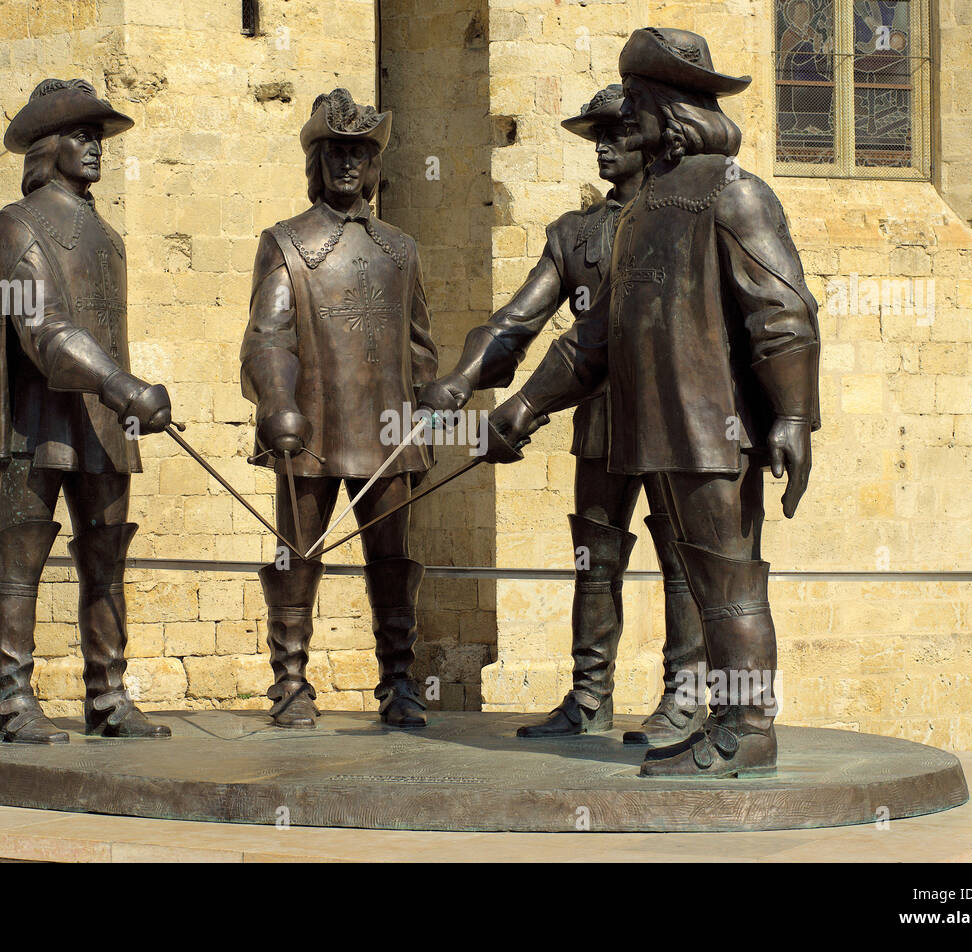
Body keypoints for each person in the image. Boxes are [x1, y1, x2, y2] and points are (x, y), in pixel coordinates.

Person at [482, 29, 821, 777]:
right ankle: (727, 720)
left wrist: (793, 416)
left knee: (728, 581)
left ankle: (748, 726)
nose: (623, 117)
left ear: (669, 108)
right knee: (708, 579)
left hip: (713, 431)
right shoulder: (640, 214)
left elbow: (784, 313)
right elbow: (593, 339)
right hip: (658, 430)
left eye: (634, 102)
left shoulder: (732, 192)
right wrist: (527, 406)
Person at [0, 78, 173, 743]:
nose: (96, 148)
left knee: (106, 560)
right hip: (39, 422)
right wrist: (125, 387)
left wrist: (122, 398)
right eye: (82, 135)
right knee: (21, 561)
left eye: (98, 137)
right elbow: (43, 330)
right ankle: (12, 702)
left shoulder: (107, 238)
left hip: (103, 426)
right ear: (47, 144)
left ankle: (109, 698)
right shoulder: (15, 225)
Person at [241, 88, 438, 730]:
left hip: (387, 429)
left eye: (359, 152)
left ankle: (399, 681)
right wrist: (276, 403)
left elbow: (419, 344)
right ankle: (290, 680)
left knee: (392, 554)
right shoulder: (286, 243)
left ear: (374, 164)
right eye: (336, 152)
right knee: (296, 550)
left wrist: (425, 413)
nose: (348, 164)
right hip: (313, 427)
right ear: (317, 161)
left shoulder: (402, 248)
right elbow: (268, 337)